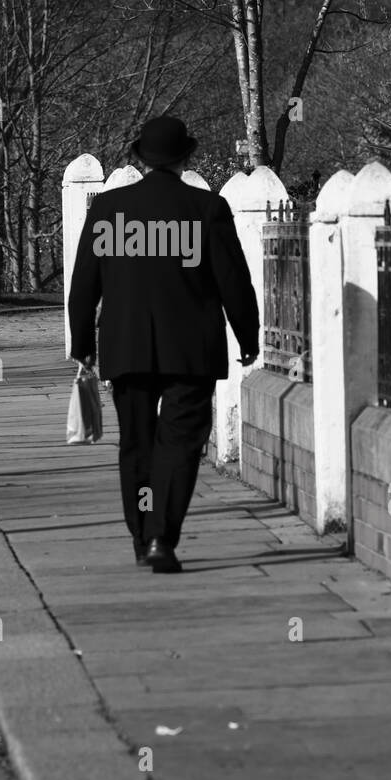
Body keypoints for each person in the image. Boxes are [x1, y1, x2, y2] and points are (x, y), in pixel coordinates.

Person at [68, 115, 260, 573]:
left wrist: (82, 343)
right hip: (191, 351)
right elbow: (234, 282)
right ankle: (161, 537)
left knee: (136, 444)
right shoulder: (207, 209)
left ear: (138, 157)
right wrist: (248, 337)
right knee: (179, 444)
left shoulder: (108, 210)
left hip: (126, 346)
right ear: (185, 158)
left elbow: (83, 284)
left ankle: (140, 535)